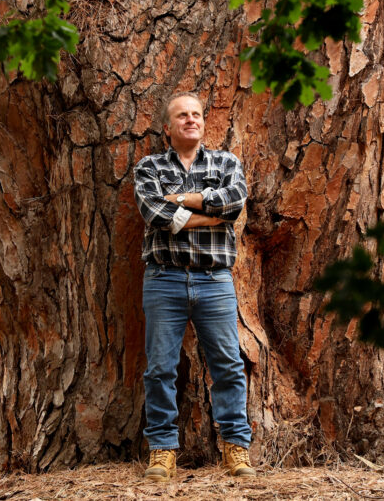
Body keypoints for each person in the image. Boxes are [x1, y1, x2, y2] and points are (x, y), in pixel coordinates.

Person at [133, 92, 255, 482]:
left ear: (204, 122)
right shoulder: (148, 167)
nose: (191, 120)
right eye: (182, 116)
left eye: (197, 114)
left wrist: (186, 200)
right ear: (168, 127)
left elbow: (235, 201)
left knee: (228, 366)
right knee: (159, 369)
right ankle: (163, 450)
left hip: (215, 279)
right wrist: (211, 217)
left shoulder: (226, 163)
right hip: (163, 279)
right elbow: (155, 214)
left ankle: (236, 448)